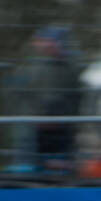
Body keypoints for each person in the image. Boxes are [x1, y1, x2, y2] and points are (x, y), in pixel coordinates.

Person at [13, 26, 81, 172]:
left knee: (60, 165)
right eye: (44, 41)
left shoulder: (70, 68)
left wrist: (60, 119)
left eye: (51, 41)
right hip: (35, 127)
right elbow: (22, 95)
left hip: (61, 126)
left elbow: (75, 97)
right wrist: (37, 117)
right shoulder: (29, 67)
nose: (47, 45)